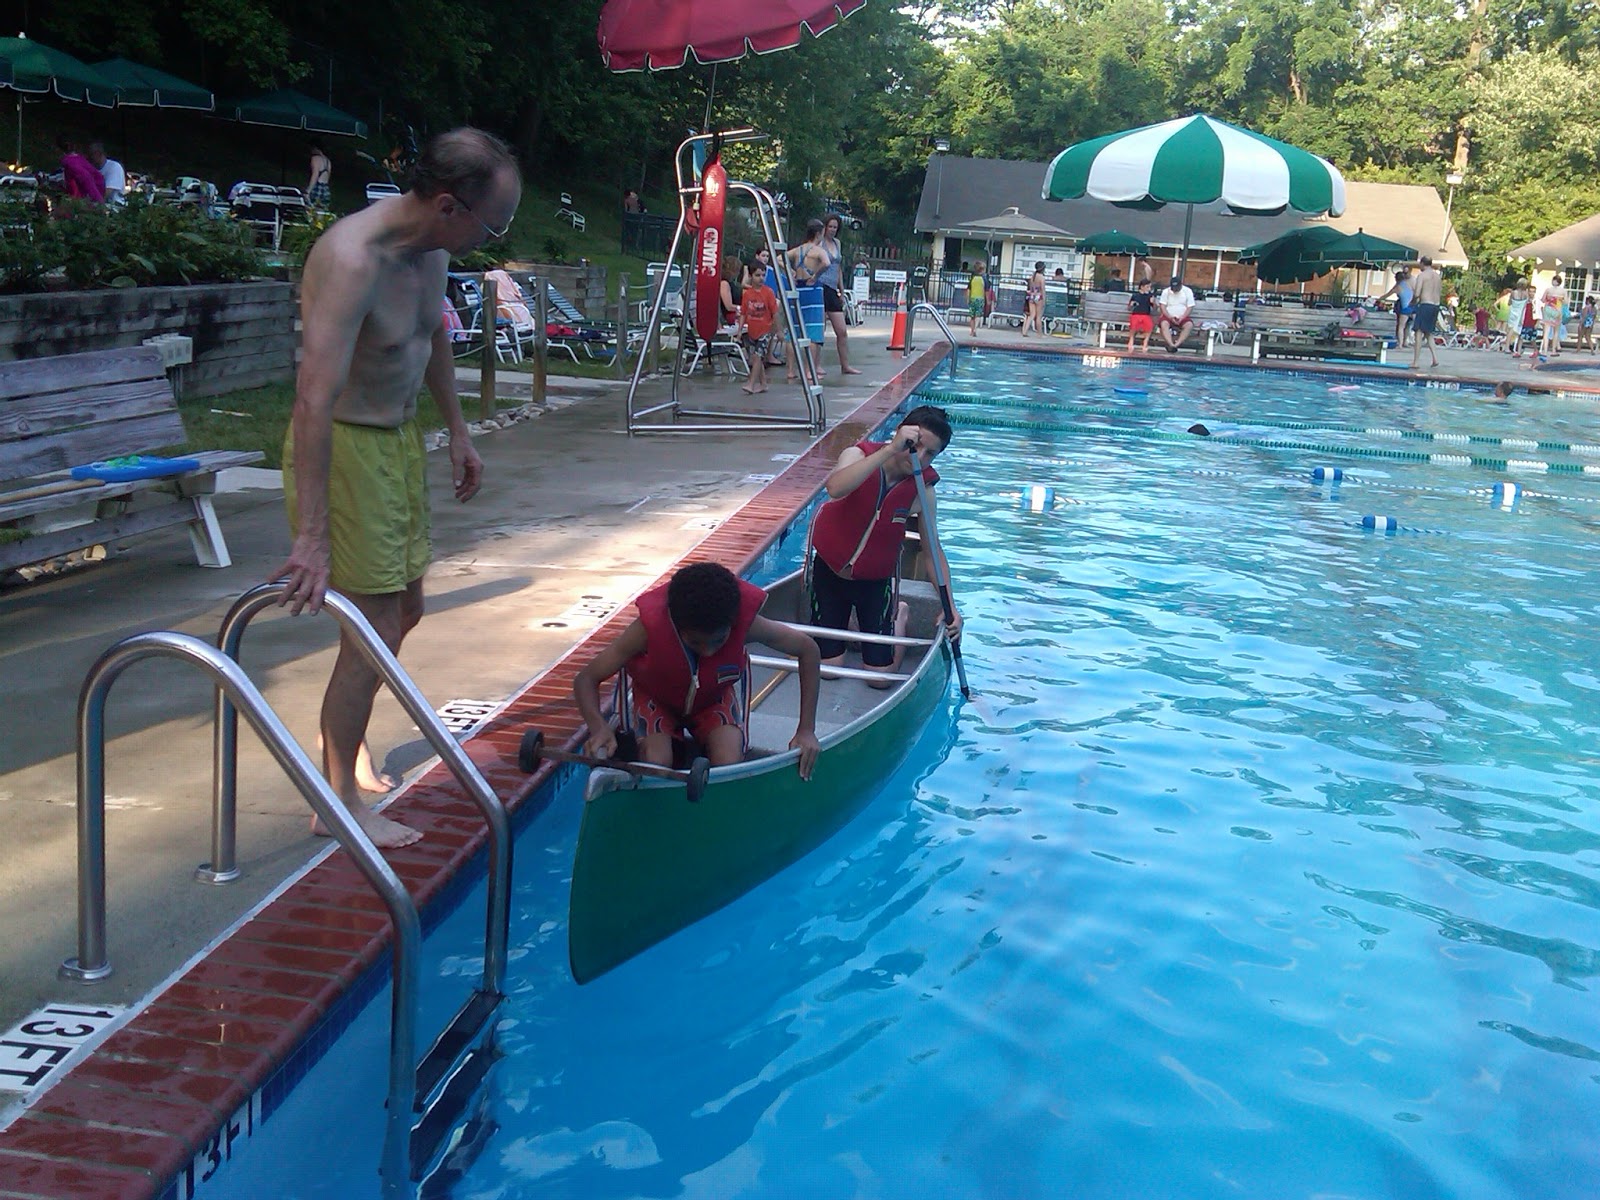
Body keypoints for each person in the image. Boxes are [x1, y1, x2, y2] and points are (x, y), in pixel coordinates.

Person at [277, 127, 519, 849]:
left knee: (403, 611)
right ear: (448, 205)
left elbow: (431, 338)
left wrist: (459, 430)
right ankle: (336, 800)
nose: (495, 237)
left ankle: (343, 750)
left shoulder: (432, 250)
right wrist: (312, 536)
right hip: (345, 444)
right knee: (374, 627)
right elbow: (312, 399)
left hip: (397, 441)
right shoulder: (353, 258)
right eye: (494, 223)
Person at [573, 562, 822, 780]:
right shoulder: (646, 630)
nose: (709, 652)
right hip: (656, 699)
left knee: (728, 764)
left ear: (732, 623)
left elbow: (808, 650)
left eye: (719, 641)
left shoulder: (746, 625)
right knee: (656, 765)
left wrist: (806, 730)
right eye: (696, 642)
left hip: (712, 699)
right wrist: (599, 727)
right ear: (676, 624)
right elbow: (586, 678)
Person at [807, 405, 962, 687]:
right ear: (901, 436)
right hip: (829, 574)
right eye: (916, 447)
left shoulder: (923, 492)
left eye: (931, 454)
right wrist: (890, 450)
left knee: (879, 680)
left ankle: (899, 613)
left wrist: (950, 605)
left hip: (874, 583)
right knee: (828, 671)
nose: (921, 458)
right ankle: (850, 626)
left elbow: (932, 550)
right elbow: (836, 488)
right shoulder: (858, 456)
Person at [816, 214, 861, 374]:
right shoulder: (819, 243)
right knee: (819, 329)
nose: (833, 230)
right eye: (830, 227)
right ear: (825, 227)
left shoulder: (838, 244)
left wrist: (841, 290)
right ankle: (815, 365)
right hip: (820, 285)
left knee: (841, 331)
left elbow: (838, 268)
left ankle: (845, 365)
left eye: (835, 227)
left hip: (832, 287)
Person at [785, 218, 829, 381]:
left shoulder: (798, 250)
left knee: (794, 330)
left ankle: (790, 370)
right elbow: (826, 262)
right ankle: (809, 370)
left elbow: (778, 258)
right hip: (812, 288)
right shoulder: (818, 250)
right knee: (813, 331)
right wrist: (816, 275)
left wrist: (790, 271)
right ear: (819, 233)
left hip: (798, 289)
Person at [737, 257, 778, 395]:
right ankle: (763, 383)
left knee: (758, 357)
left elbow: (775, 313)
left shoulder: (768, 293)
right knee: (755, 357)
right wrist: (739, 330)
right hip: (752, 330)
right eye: (757, 275)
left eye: (763, 275)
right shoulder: (747, 294)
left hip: (765, 330)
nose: (761, 278)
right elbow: (743, 313)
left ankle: (751, 383)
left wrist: (777, 330)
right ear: (750, 276)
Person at [1410, 255, 1442, 369]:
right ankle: (1435, 359)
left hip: (1425, 305)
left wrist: (1412, 302)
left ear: (1423, 264)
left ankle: (1416, 362)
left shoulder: (1422, 276)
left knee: (1418, 332)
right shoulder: (1437, 277)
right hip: (1436, 306)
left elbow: (1417, 293)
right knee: (1428, 333)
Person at [53, 136, 105, 203]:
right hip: (95, 192)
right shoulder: (79, 159)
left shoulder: (71, 163)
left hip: (89, 199)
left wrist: (98, 201)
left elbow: (86, 178)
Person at [1375, 267, 1414, 348]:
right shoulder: (1408, 284)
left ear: (1396, 279)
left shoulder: (1397, 287)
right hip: (1412, 307)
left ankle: (1399, 344)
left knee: (1400, 326)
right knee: (1407, 326)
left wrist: (1377, 299)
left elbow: (1387, 295)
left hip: (1405, 308)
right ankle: (1405, 342)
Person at [1157, 275, 1196, 351]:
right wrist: (1169, 317)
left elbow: (1190, 307)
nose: (1174, 290)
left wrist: (1182, 317)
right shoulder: (1166, 292)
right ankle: (1171, 344)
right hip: (1168, 315)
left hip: (1183, 316)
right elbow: (1163, 306)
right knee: (1164, 324)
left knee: (1189, 325)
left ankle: (1176, 344)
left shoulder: (1187, 291)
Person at [87, 142, 125, 206]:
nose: (89, 158)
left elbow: (107, 192)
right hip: (98, 205)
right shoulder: (91, 168)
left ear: (98, 154)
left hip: (115, 207)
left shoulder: (114, 167)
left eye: (91, 155)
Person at [1540, 274, 1567, 357]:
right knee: (1556, 332)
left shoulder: (1548, 290)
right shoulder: (1563, 291)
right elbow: (1566, 302)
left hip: (1548, 309)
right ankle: (1553, 350)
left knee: (1546, 332)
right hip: (1557, 310)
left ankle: (1544, 350)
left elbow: (1543, 299)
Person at [1126, 277, 1156, 353]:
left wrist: (1153, 302)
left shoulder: (1150, 296)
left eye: (1150, 287)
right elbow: (1129, 308)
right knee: (1133, 326)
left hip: (1146, 315)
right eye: (1147, 287)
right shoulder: (1135, 295)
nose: (1149, 289)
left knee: (1149, 326)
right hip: (1136, 314)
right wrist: (1131, 305)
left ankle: (1145, 342)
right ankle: (1131, 341)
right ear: (1142, 287)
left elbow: (1155, 308)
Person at [1022, 261, 1046, 336]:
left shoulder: (1033, 276)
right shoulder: (1041, 277)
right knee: (1038, 317)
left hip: (1031, 296)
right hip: (1039, 296)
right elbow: (1042, 289)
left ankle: (1024, 331)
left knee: (1031, 315)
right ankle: (1039, 334)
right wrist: (1044, 299)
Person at [307, 144, 332, 210]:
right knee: (323, 210)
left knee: (311, 209)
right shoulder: (327, 160)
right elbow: (328, 176)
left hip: (317, 188)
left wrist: (308, 191)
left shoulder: (315, 159)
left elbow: (315, 175)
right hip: (326, 189)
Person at [967, 259, 986, 338]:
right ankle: (975, 329)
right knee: (978, 315)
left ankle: (971, 330)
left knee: (972, 316)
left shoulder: (972, 278)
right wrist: (987, 299)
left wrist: (968, 298)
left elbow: (968, 289)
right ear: (982, 270)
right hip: (980, 299)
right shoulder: (984, 279)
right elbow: (986, 290)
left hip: (972, 298)